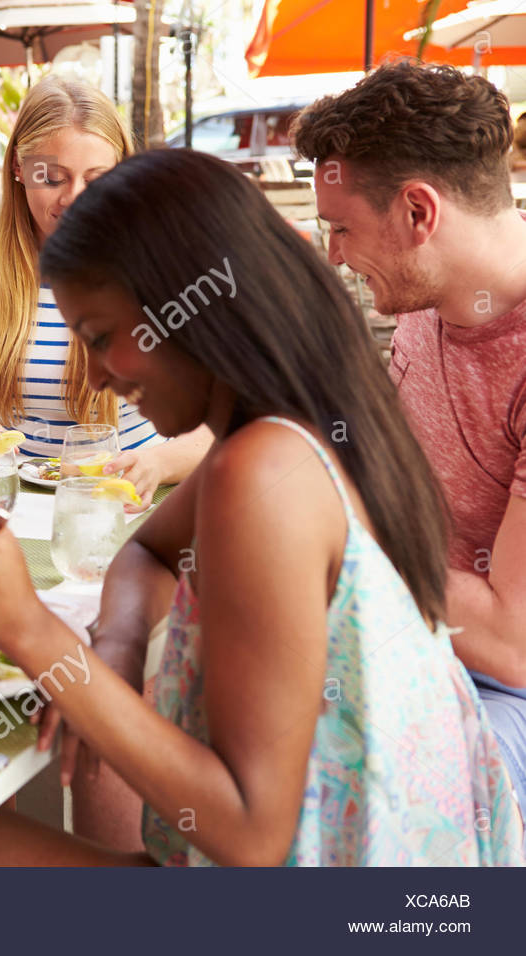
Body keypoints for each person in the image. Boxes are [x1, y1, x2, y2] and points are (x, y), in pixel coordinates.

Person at [0, 148, 524, 866]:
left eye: (101, 338)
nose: (94, 375)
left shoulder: (262, 472)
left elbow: (252, 834)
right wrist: (115, 652)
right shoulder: (290, 429)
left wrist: (33, 633)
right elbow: (147, 551)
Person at [293, 61, 526, 841]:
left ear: (418, 212)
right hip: (413, 640)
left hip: (503, 690)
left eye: (342, 228)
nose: (334, 256)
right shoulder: (425, 307)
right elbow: (381, 472)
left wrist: (331, 533)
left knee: (354, 798)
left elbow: (513, 644)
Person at [0, 76, 212, 505]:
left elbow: (223, 416)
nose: (75, 198)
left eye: (97, 179)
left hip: (129, 500)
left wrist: (156, 463)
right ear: (18, 169)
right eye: (53, 178)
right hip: (14, 502)